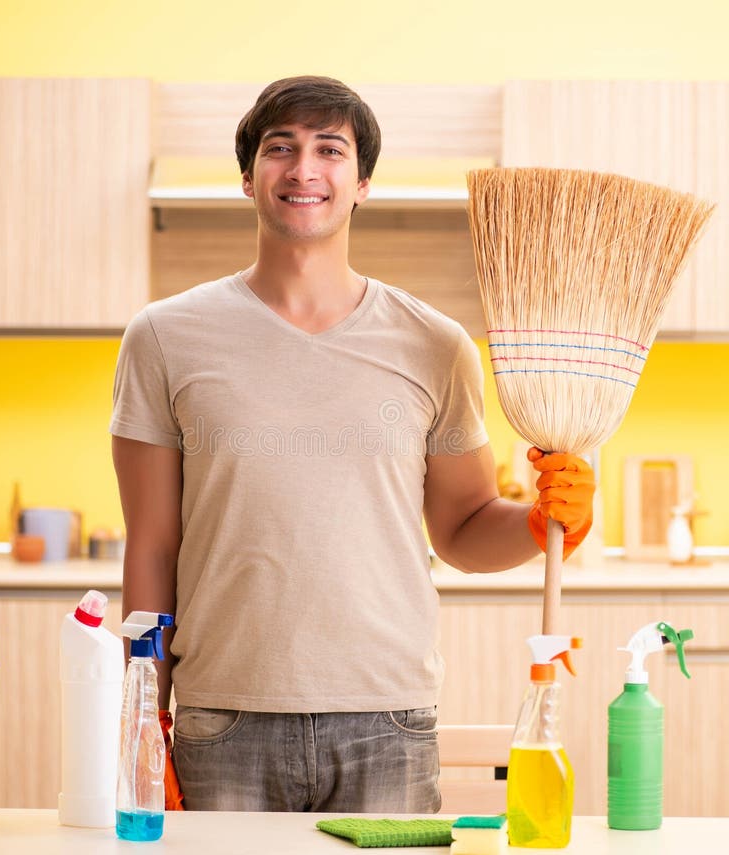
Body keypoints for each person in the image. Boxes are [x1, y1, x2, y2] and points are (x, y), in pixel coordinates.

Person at [110, 75, 594, 813]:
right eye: (281, 148)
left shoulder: (437, 344)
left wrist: (538, 523)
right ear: (248, 178)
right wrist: (144, 719)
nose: (304, 169)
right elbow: (150, 547)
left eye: (329, 149)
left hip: (388, 721)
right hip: (223, 718)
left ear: (361, 181)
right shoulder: (164, 336)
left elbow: (463, 529)